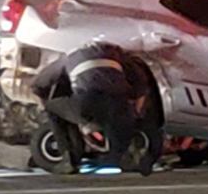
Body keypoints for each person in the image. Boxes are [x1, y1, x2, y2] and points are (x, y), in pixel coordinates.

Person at [30, 42, 155, 176]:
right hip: (118, 103)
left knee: (52, 109)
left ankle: (69, 159)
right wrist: (135, 115)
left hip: (88, 102)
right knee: (119, 140)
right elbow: (142, 88)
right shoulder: (118, 55)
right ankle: (132, 157)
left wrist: (43, 106)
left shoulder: (68, 57)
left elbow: (37, 85)